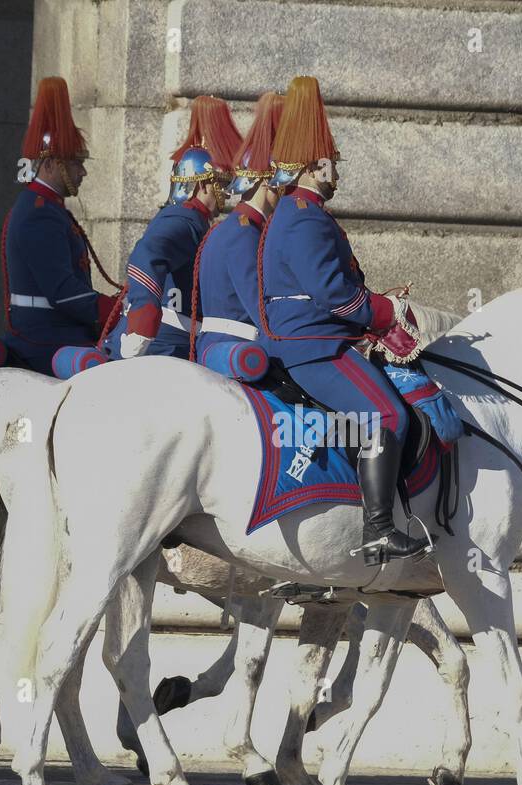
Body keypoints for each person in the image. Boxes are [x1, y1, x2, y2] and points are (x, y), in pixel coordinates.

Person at [257, 76, 431, 568]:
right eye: (333, 163)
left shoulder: (295, 213)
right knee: (388, 416)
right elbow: (334, 293)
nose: (338, 172)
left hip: (314, 338)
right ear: (315, 166)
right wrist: (385, 313)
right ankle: (378, 529)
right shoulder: (306, 216)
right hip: (315, 347)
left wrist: (375, 305)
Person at [0, 76, 120, 374]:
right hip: (46, 336)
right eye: (75, 163)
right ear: (51, 164)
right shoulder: (39, 213)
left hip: (58, 330)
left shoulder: (48, 208)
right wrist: (113, 311)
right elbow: (63, 292)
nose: (83, 172)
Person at [109, 96, 243, 360]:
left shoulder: (192, 221)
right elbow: (146, 256)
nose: (226, 194)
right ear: (202, 185)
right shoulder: (185, 221)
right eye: (221, 184)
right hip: (164, 345)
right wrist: (143, 319)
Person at [191, 91, 285, 381]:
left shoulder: (228, 228)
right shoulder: (245, 235)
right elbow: (261, 311)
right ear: (268, 183)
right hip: (239, 350)